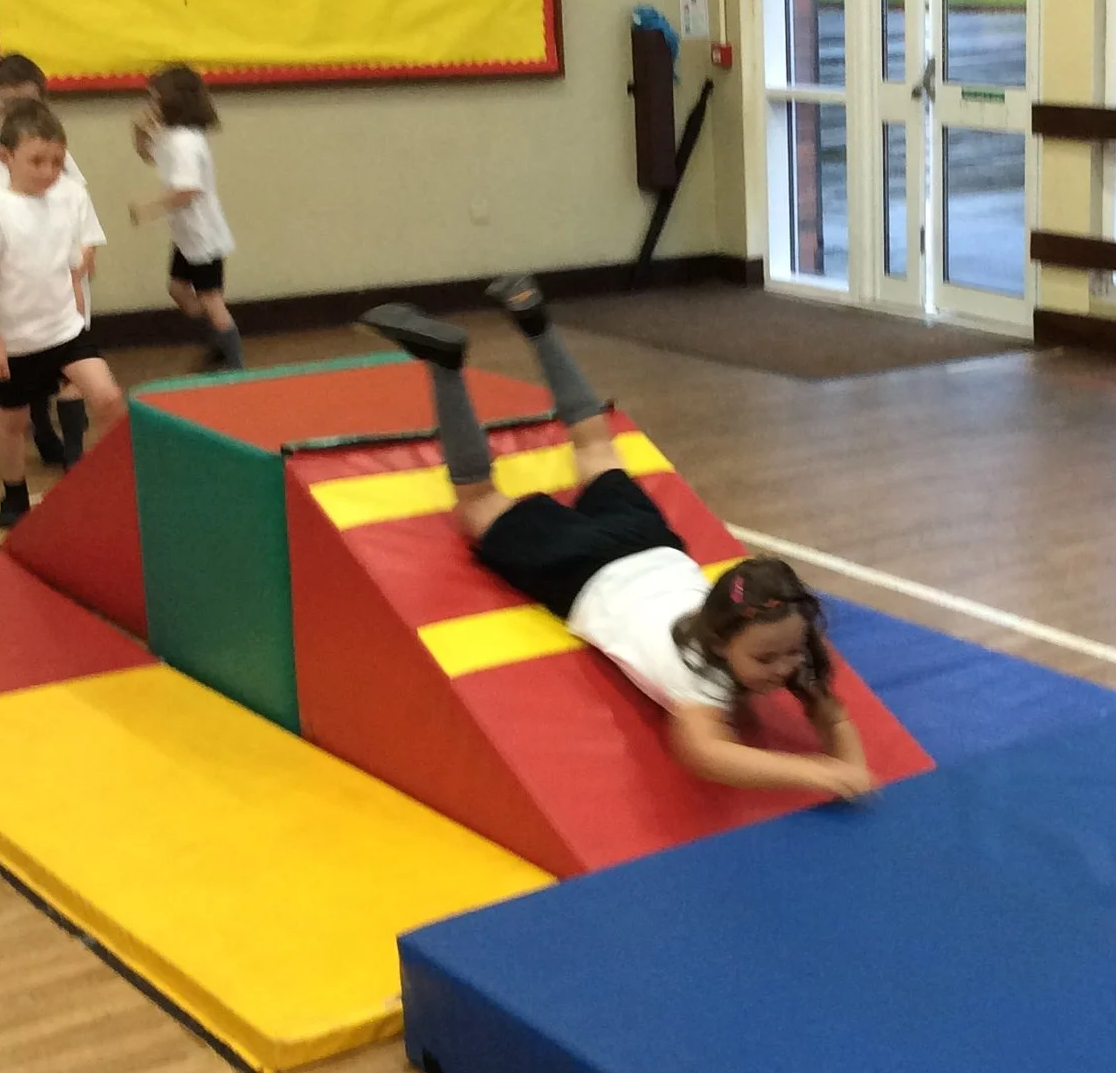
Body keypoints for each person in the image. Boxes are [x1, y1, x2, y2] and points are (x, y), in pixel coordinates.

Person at [362, 280, 872, 800]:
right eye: (768, 661)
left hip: (650, 545)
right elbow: (704, 753)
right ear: (719, 642)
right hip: (582, 571)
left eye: (790, 654)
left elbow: (831, 715)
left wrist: (852, 768)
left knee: (597, 449)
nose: (785, 669)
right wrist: (819, 773)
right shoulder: (698, 670)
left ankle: (538, 326)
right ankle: (447, 368)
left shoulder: (774, 630)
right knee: (478, 502)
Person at [0, 103, 125, 529]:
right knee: (13, 421)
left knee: (108, 397)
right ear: (6, 158)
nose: (48, 170)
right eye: (36, 161)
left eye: (56, 161)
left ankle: (113, 475)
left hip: (65, 328)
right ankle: (15, 493)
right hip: (17, 339)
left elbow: (75, 252)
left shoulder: (70, 195)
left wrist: (77, 286)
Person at [0, 54, 96, 465]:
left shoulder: (51, 151)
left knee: (70, 366)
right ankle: (40, 431)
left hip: (58, 268)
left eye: (31, 103)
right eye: (7, 103)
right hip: (15, 273)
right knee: (27, 366)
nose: (20, 111)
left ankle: (75, 451)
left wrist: (83, 254)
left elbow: (76, 200)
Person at [127, 64, 242, 369]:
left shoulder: (185, 142)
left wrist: (148, 208)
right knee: (178, 290)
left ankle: (233, 363)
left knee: (211, 299)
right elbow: (147, 154)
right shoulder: (171, 135)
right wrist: (139, 131)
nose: (151, 105)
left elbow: (187, 190)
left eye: (155, 99)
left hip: (202, 234)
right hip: (187, 234)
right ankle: (218, 341)